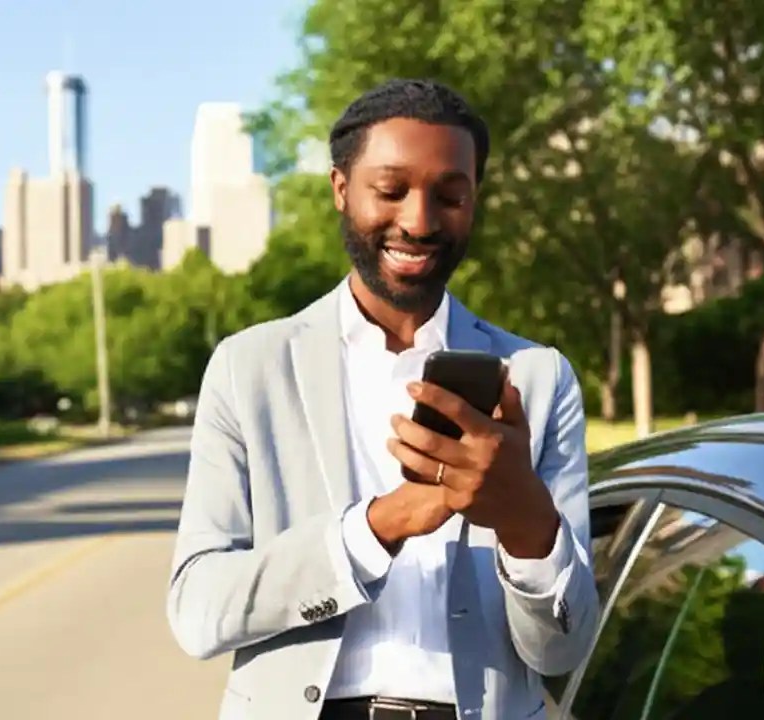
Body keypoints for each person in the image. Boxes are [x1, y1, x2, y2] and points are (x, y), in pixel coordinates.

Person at [167, 78, 599, 720]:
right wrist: (380, 525)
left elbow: (563, 651)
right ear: (342, 189)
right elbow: (198, 613)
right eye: (391, 190)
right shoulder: (248, 367)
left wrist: (526, 523)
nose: (419, 222)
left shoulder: (538, 378)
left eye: (450, 195)